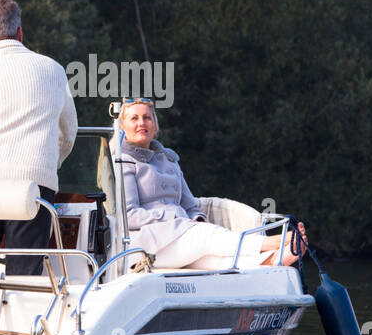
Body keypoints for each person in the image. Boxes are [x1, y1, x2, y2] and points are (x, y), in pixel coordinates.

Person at [0, 0, 78, 276]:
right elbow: (68, 134)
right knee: (25, 278)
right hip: (34, 184)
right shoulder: (53, 70)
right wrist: (47, 164)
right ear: (20, 33)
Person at [115, 98, 307, 269]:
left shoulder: (170, 160)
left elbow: (190, 206)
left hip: (181, 235)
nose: (142, 123)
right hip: (147, 244)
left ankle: (272, 260)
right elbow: (129, 216)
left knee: (212, 259)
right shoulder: (123, 162)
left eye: (147, 118)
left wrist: (196, 219)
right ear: (122, 128)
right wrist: (176, 217)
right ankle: (273, 243)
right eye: (134, 119)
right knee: (205, 237)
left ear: (155, 126)